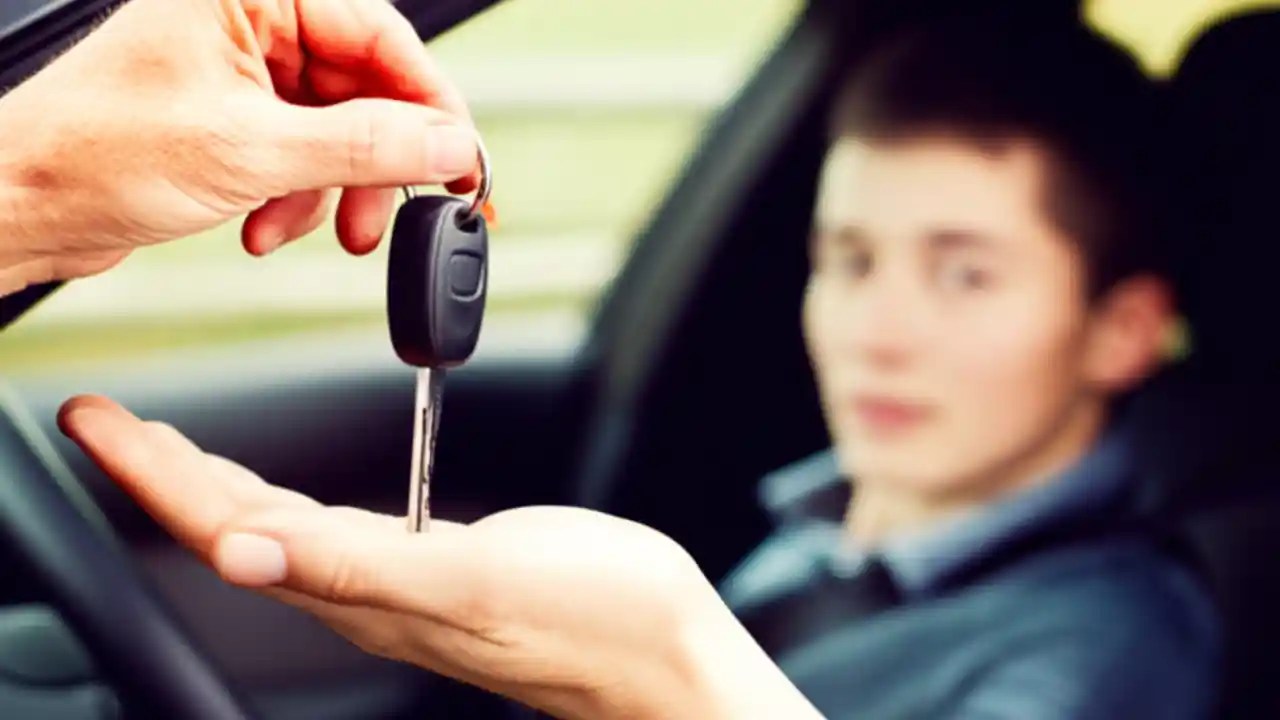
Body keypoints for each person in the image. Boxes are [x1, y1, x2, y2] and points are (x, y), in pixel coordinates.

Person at [6, 4, 1219, 720]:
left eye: (962, 272)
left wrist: (675, 683)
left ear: (1119, 328)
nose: (875, 327)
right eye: (847, 257)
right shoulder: (817, 521)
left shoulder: (1104, 650)